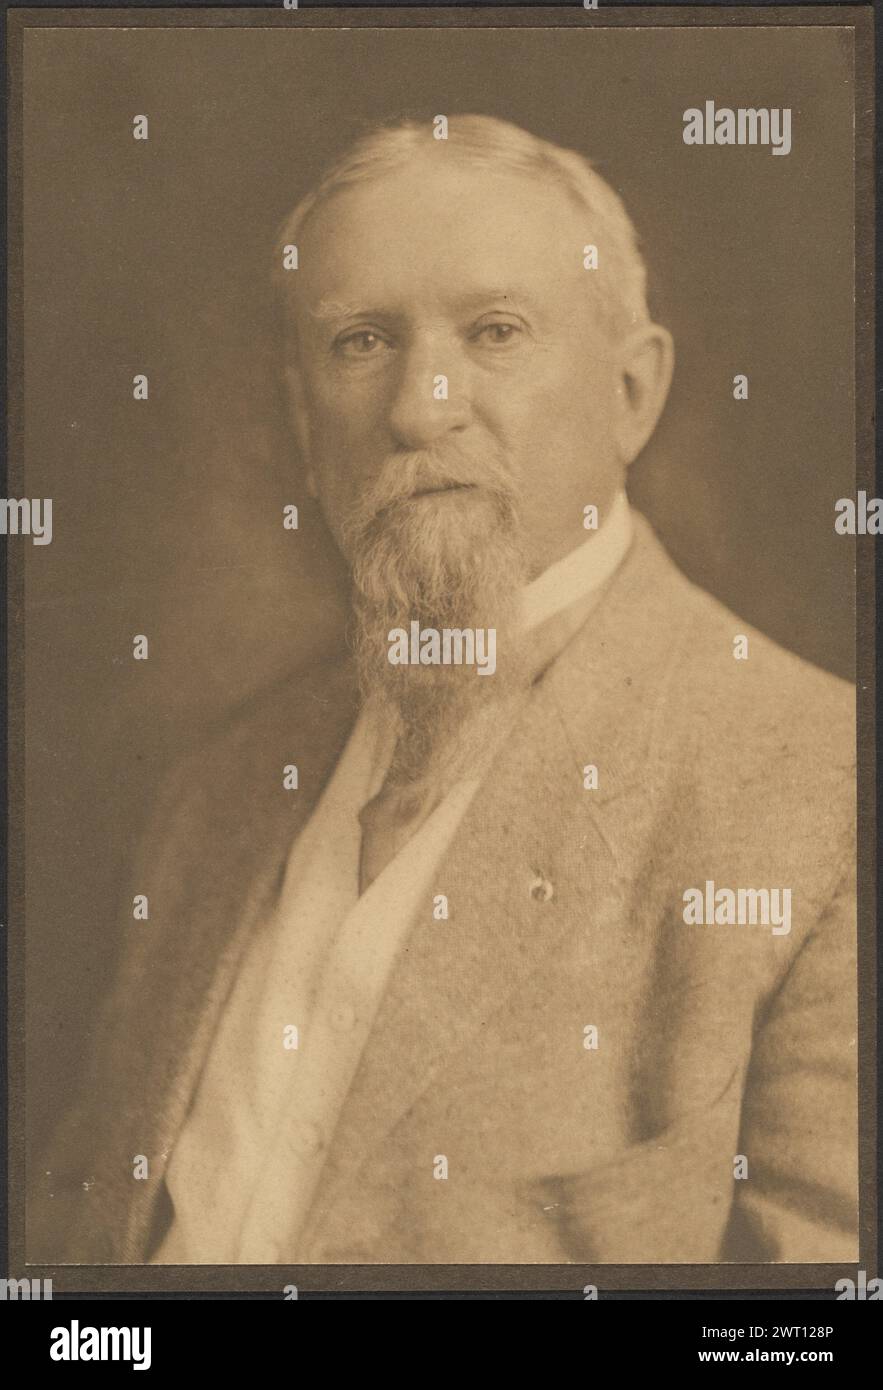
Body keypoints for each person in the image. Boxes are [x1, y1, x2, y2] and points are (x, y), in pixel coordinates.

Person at [31, 115, 857, 1266]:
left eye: (496, 331)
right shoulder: (211, 796)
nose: (421, 405)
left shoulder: (824, 794)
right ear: (302, 425)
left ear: (633, 392)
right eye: (361, 341)